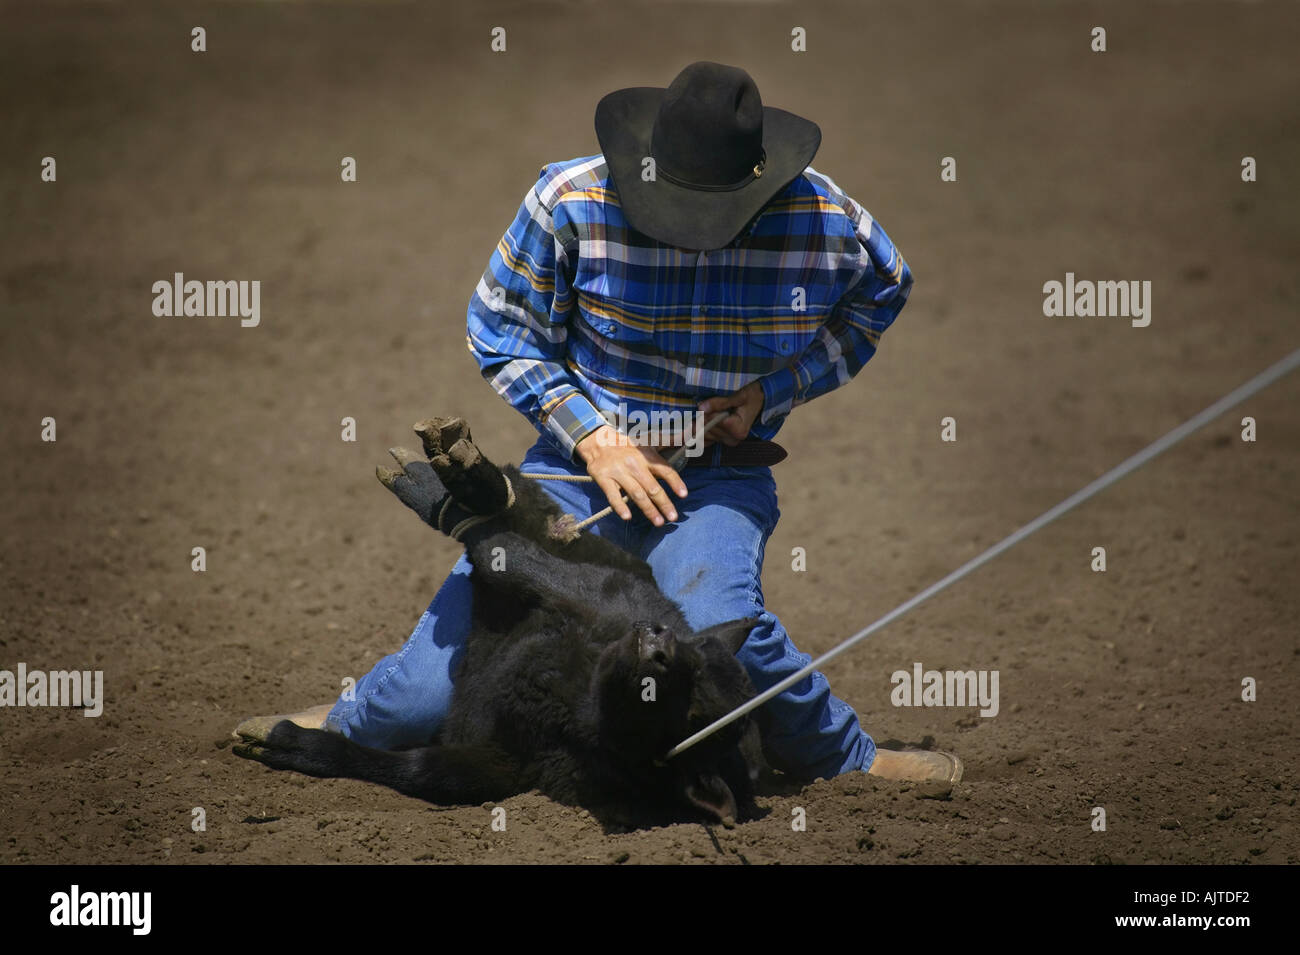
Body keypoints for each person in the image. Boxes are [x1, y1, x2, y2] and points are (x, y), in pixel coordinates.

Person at [237, 61, 961, 786]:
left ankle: (848, 758)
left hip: (713, 481)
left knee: (716, 626)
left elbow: (884, 291)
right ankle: (355, 717)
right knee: (417, 702)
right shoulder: (571, 200)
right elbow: (500, 328)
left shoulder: (825, 221)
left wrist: (779, 386)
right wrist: (593, 434)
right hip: (573, 476)